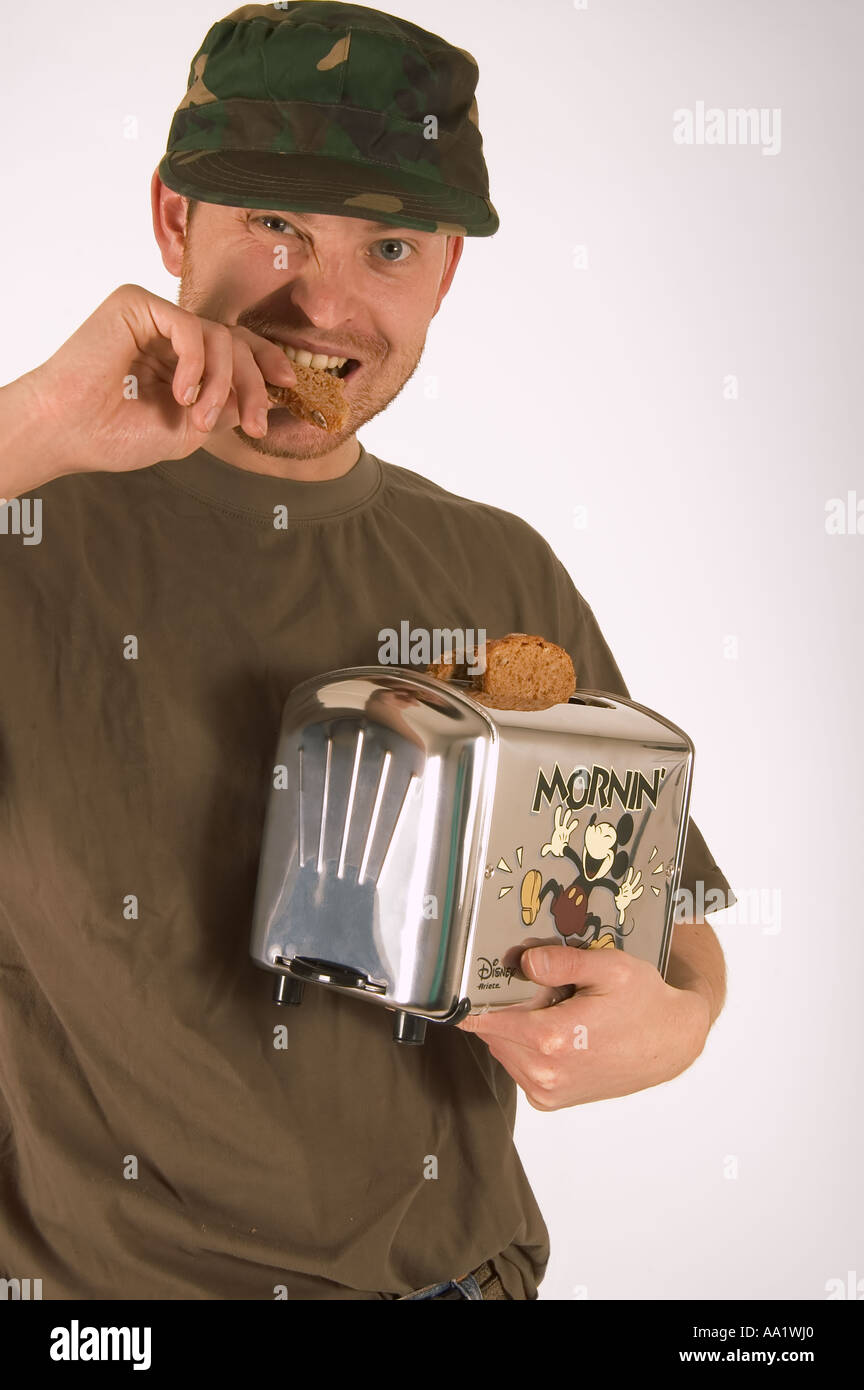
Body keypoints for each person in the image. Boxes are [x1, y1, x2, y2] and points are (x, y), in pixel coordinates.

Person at [0, 2, 735, 1301]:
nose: (324, 302)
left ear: (446, 270)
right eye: (274, 225)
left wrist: (680, 1019)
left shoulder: (499, 570)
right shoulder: (23, 527)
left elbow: (659, 910)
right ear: (176, 221)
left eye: (387, 245)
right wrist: (31, 424)